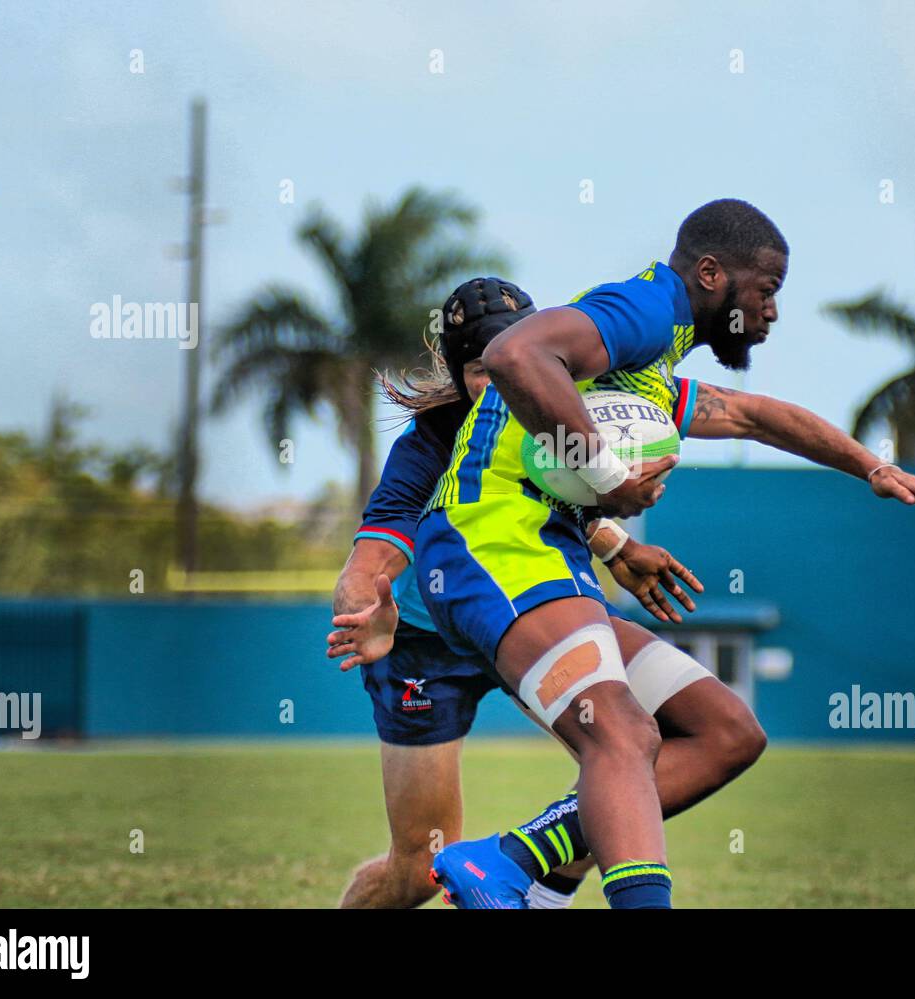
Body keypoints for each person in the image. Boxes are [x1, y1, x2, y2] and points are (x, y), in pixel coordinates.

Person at [419, 199, 915, 909]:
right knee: (619, 731)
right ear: (712, 274)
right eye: (766, 290)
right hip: (490, 542)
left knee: (726, 731)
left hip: (547, 557)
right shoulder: (646, 307)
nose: (771, 313)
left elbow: (752, 414)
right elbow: (514, 352)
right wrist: (609, 479)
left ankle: (512, 861)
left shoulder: (647, 361)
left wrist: (874, 468)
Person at [327, 276, 766, 909]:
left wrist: (615, 545)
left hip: (519, 617)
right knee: (419, 866)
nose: (498, 382)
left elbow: (560, 494)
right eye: (481, 370)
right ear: (458, 374)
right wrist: (365, 608)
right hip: (422, 646)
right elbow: (370, 557)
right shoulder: (427, 444)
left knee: (619, 758)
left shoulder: (557, 406)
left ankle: (540, 888)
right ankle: (512, 878)